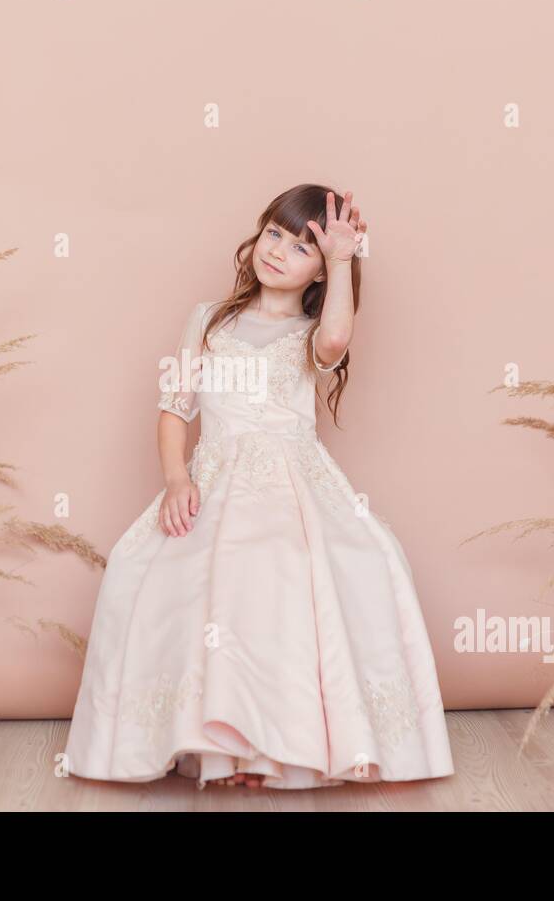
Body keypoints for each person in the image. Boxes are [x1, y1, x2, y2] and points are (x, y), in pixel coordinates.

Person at [64, 184, 455, 790]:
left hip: (292, 483)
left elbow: (335, 342)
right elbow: (176, 407)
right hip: (214, 474)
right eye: (275, 233)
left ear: (321, 272)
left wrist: (345, 257)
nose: (279, 252)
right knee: (148, 570)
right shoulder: (209, 318)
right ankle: (214, 750)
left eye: (303, 248)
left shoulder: (311, 331)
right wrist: (175, 478)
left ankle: (274, 752)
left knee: (285, 580)